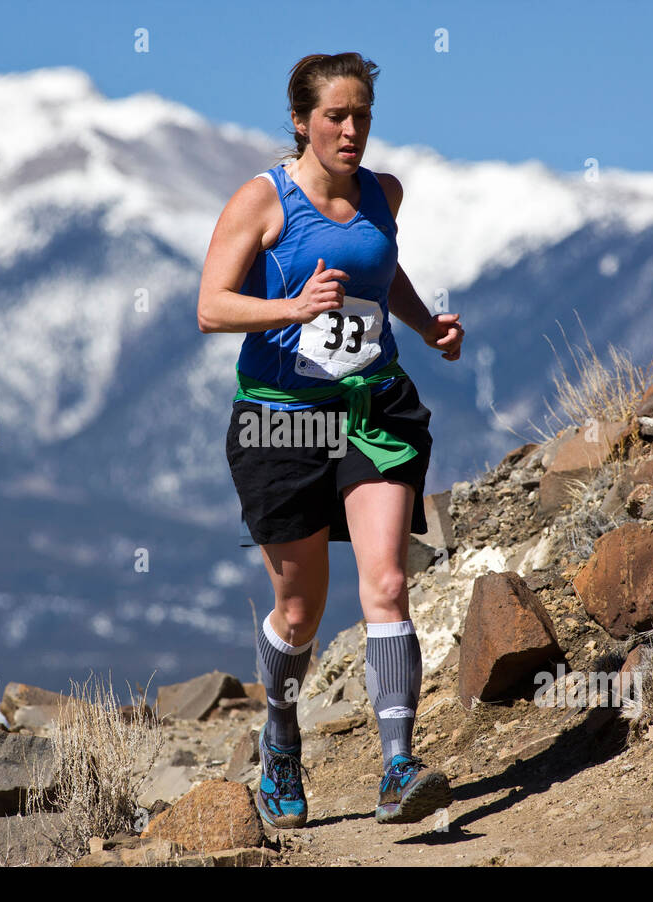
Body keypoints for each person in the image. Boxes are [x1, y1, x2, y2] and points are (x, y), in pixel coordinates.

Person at [197, 52, 464, 827]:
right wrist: (292, 308)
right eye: (335, 118)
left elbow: (382, 273)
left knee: (385, 581)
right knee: (302, 609)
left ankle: (397, 767)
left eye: (363, 118)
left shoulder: (384, 193)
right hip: (280, 420)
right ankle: (280, 738)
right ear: (300, 121)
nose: (351, 131)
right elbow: (212, 307)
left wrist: (425, 326)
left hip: (374, 409)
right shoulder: (262, 201)